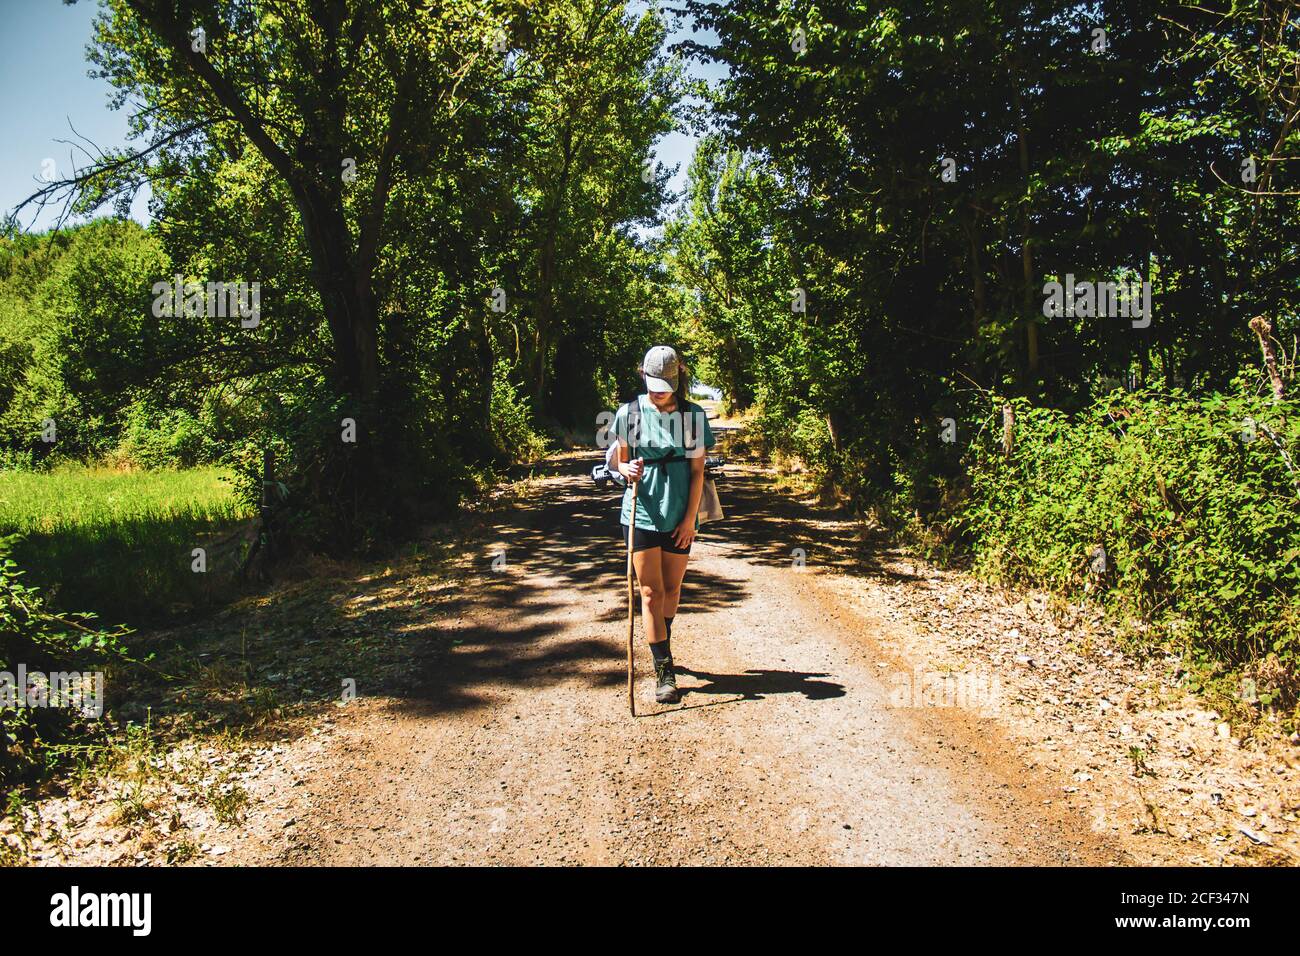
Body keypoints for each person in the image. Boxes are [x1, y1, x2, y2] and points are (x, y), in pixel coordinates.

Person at [611, 345, 716, 704]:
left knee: (672, 590)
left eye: (664, 385)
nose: (656, 391)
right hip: (640, 510)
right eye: (651, 383)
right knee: (652, 592)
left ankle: (663, 642)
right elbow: (619, 463)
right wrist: (624, 469)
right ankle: (663, 670)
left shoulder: (692, 417)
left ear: (677, 380)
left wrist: (690, 520)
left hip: (679, 514)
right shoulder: (630, 413)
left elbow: (698, 471)